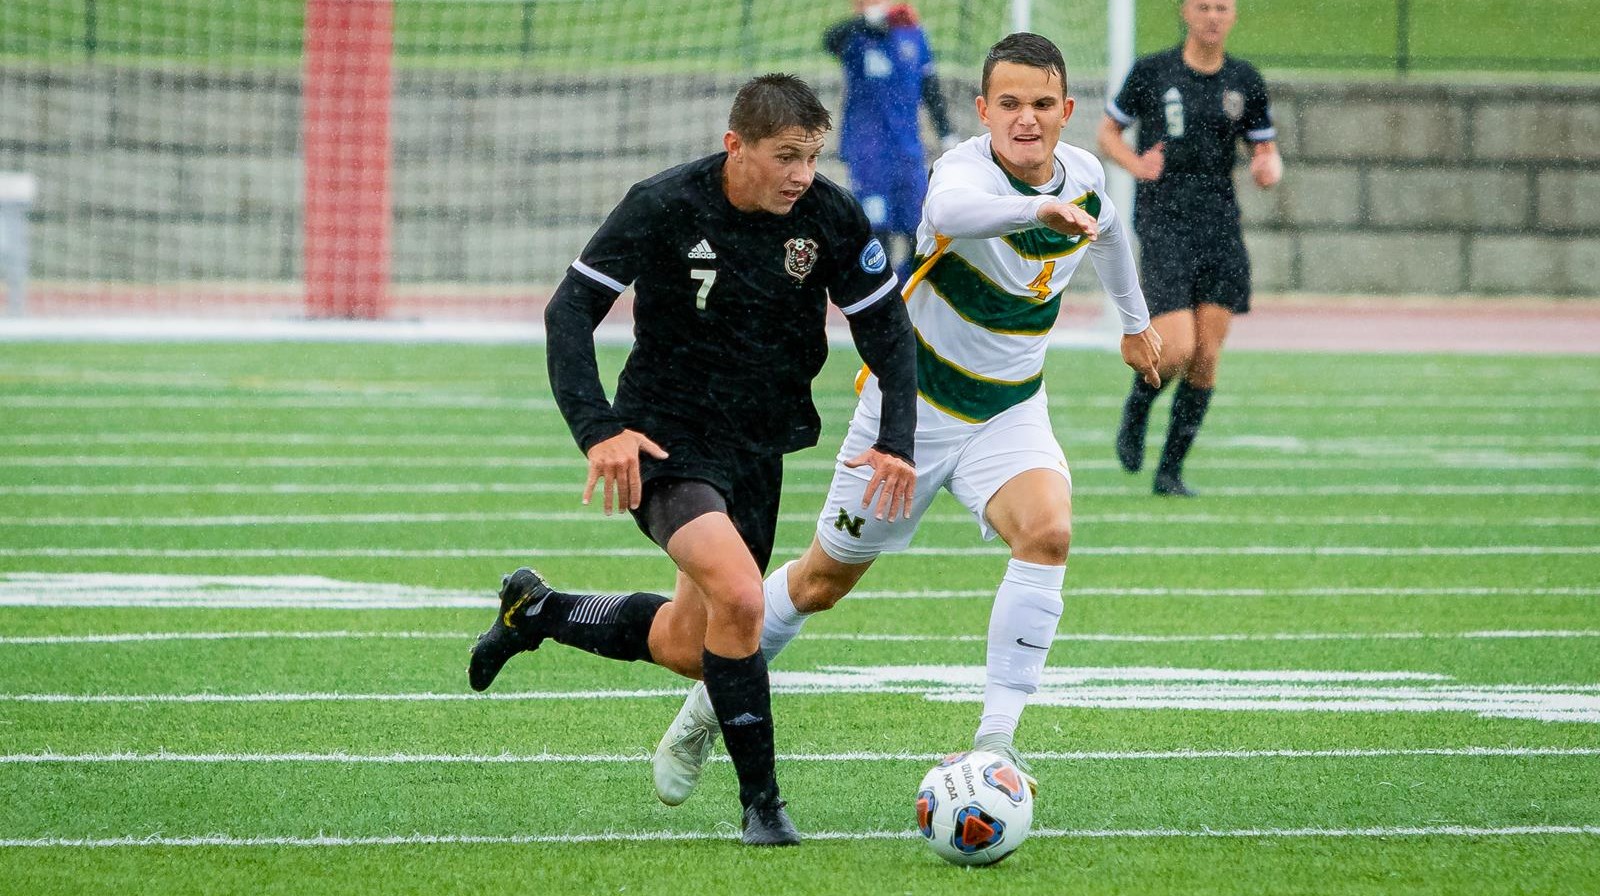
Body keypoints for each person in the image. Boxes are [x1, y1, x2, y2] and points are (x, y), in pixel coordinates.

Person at [650, 33, 1162, 808]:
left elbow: (1111, 231)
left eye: (1043, 105)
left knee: (1049, 531)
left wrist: (1134, 321)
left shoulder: (1084, 176)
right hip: (909, 417)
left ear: (1067, 111)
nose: (1027, 120)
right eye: (1011, 105)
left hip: (1010, 410)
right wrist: (1035, 210)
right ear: (985, 111)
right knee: (822, 582)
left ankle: (996, 744)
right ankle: (706, 707)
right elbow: (952, 210)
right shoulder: (963, 171)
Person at [466, 73, 920, 847]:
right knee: (744, 599)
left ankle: (535, 610)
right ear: (734, 146)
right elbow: (568, 310)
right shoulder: (666, 204)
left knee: (688, 644)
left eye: (812, 156)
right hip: (666, 440)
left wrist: (897, 441)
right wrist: (598, 429)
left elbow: (888, 331)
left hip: (758, 447)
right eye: (786, 156)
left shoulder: (830, 217)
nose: (802, 175)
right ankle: (764, 806)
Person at [1098, 0, 1281, 496]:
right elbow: (1108, 132)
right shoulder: (1153, 71)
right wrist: (1136, 165)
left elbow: (1264, 149)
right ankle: (1138, 406)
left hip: (1220, 224)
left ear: (1235, 15)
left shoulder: (1245, 79)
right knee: (1175, 347)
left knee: (1207, 356)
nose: (1213, 16)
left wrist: (1268, 168)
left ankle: (1170, 472)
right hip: (1164, 220)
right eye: (1204, 6)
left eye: (1222, 7)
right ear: (1186, 12)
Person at [824, 1, 957, 279]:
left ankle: (902, 291)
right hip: (868, 152)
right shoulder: (856, 36)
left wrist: (946, 134)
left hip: (908, 153)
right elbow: (830, 40)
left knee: (920, 231)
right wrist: (869, 19)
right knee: (876, 230)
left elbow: (929, 87)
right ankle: (880, 298)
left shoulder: (914, 34)